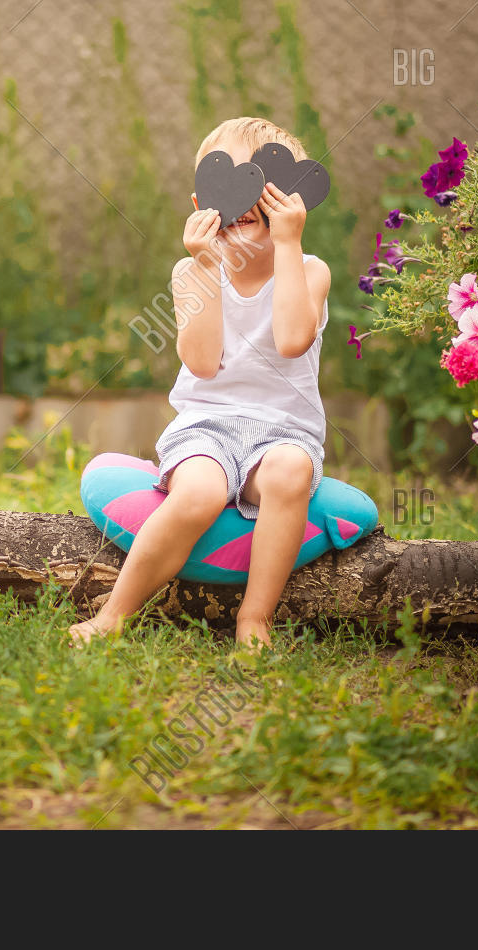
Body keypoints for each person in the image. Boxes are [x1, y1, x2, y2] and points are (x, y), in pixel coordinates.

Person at [70, 117, 331, 647]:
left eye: (258, 183)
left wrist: (287, 244)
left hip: (284, 433)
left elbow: (291, 340)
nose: (241, 199)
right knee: (199, 492)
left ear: (290, 199)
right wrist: (207, 266)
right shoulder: (191, 273)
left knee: (289, 472)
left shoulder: (310, 270)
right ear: (200, 202)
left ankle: (254, 619)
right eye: (226, 183)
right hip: (206, 427)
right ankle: (114, 613)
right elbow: (202, 362)